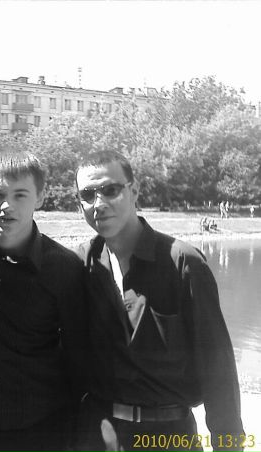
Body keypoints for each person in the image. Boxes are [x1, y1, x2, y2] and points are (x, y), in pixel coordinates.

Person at [74, 151, 244, 451]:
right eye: (88, 194)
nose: (98, 203)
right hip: (98, 436)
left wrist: (229, 445)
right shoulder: (80, 264)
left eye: (110, 190)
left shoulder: (183, 263)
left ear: (135, 190)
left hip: (170, 437)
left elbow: (217, 368)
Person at [0, 151, 87, 452]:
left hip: (43, 427)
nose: (7, 206)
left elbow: (78, 357)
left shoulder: (64, 267)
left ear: (40, 197)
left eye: (20, 195)